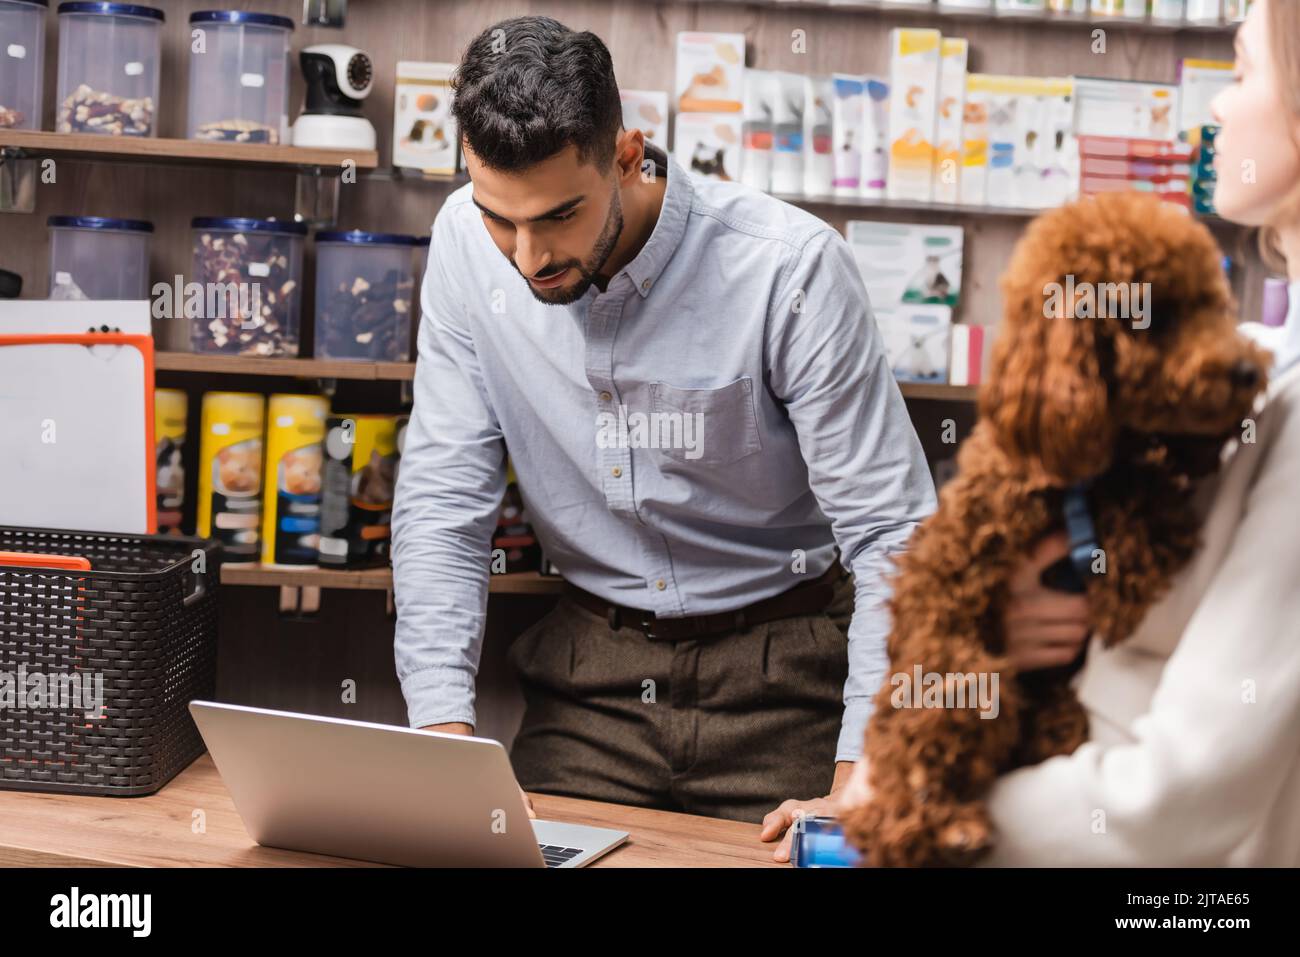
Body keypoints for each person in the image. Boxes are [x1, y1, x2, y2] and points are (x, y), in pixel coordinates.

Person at [391, 16, 936, 842]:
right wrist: (441, 748)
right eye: (502, 218)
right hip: (590, 682)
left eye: (559, 217)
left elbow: (893, 533)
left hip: (785, 677)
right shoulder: (468, 246)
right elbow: (442, 506)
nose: (527, 257)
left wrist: (862, 776)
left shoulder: (788, 269)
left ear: (626, 154)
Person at [837, 0, 1300, 866]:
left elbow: (1183, 790)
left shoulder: (1279, 402)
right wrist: (998, 626)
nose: (1215, 113)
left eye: (1241, 73)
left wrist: (902, 804)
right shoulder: (1252, 369)